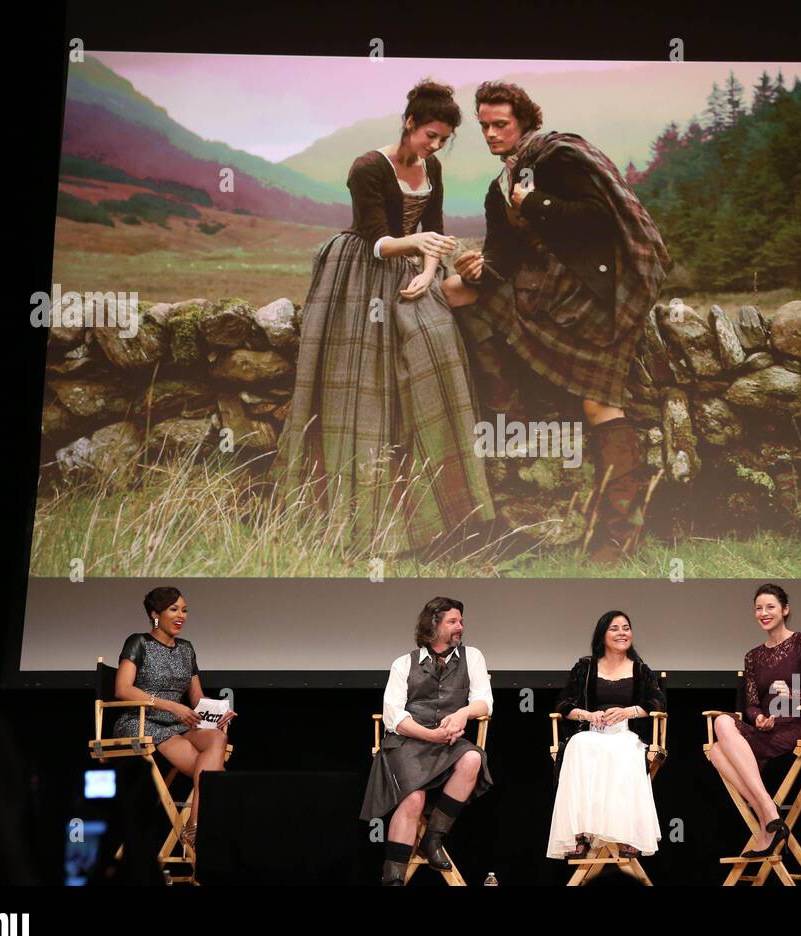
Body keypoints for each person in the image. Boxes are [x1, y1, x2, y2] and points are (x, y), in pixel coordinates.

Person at [444, 80, 672, 564]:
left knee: (598, 405)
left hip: (598, 297)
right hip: (546, 295)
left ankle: (617, 538)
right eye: (484, 125)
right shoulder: (498, 187)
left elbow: (600, 219)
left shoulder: (558, 159)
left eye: (500, 124)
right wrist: (479, 269)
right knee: (456, 292)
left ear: (524, 121)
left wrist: (535, 204)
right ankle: (507, 408)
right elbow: (502, 256)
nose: (490, 133)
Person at [271, 79, 494, 557]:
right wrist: (415, 247)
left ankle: (443, 513)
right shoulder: (368, 168)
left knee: (438, 347)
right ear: (409, 123)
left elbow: (432, 228)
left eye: (443, 140)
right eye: (429, 135)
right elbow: (375, 239)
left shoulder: (430, 165)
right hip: (361, 271)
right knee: (364, 385)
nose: (434, 146)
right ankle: (356, 520)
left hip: (410, 266)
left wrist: (430, 268)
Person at [360, 597, 493, 884]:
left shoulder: (473, 657)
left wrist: (462, 714)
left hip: (449, 743)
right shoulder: (403, 663)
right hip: (408, 742)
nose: (460, 626)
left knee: (472, 757)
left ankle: (432, 839)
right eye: (452, 621)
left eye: (461, 621)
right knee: (414, 798)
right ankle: (393, 874)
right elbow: (393, 716)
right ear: (433, 625)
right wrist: (431, 734)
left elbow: (484, 702)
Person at [707, 584, 801, 857]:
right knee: (720, 732)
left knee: (718, 747)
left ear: (785, 609)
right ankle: (769, 814)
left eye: (770, 607)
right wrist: (759, 717)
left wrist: (796, 693)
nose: (764, 613)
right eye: (759, 608)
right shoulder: (753, 656)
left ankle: (766, 821)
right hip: (766, 729)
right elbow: (751, 703)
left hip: (798, 727)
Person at [112, 586, 235, 850]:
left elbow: (197, 698)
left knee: (216, 738)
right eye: (173, 609)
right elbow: (122, 689)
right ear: (156, 615)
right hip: (142, 720)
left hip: (178, 721)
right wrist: (170, 706)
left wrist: (219, 712)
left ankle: (194, 825)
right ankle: (201, 831)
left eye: (184, 609)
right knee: (214, 776)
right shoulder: (138, 642)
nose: (181, 615)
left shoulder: (186, 649)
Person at [547, 610, 665, 860]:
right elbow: (563, 705)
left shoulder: (640, 669)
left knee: (626, 750)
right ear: (602, 635)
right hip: (591, 732)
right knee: (578, 745)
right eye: (614, 628)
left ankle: (629, 834)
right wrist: (588, 715)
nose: (622, 633)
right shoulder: (585, 667)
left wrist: (628, 712)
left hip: (625, 733)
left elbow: (657, 703)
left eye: (626, 627)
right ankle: (579, 834)